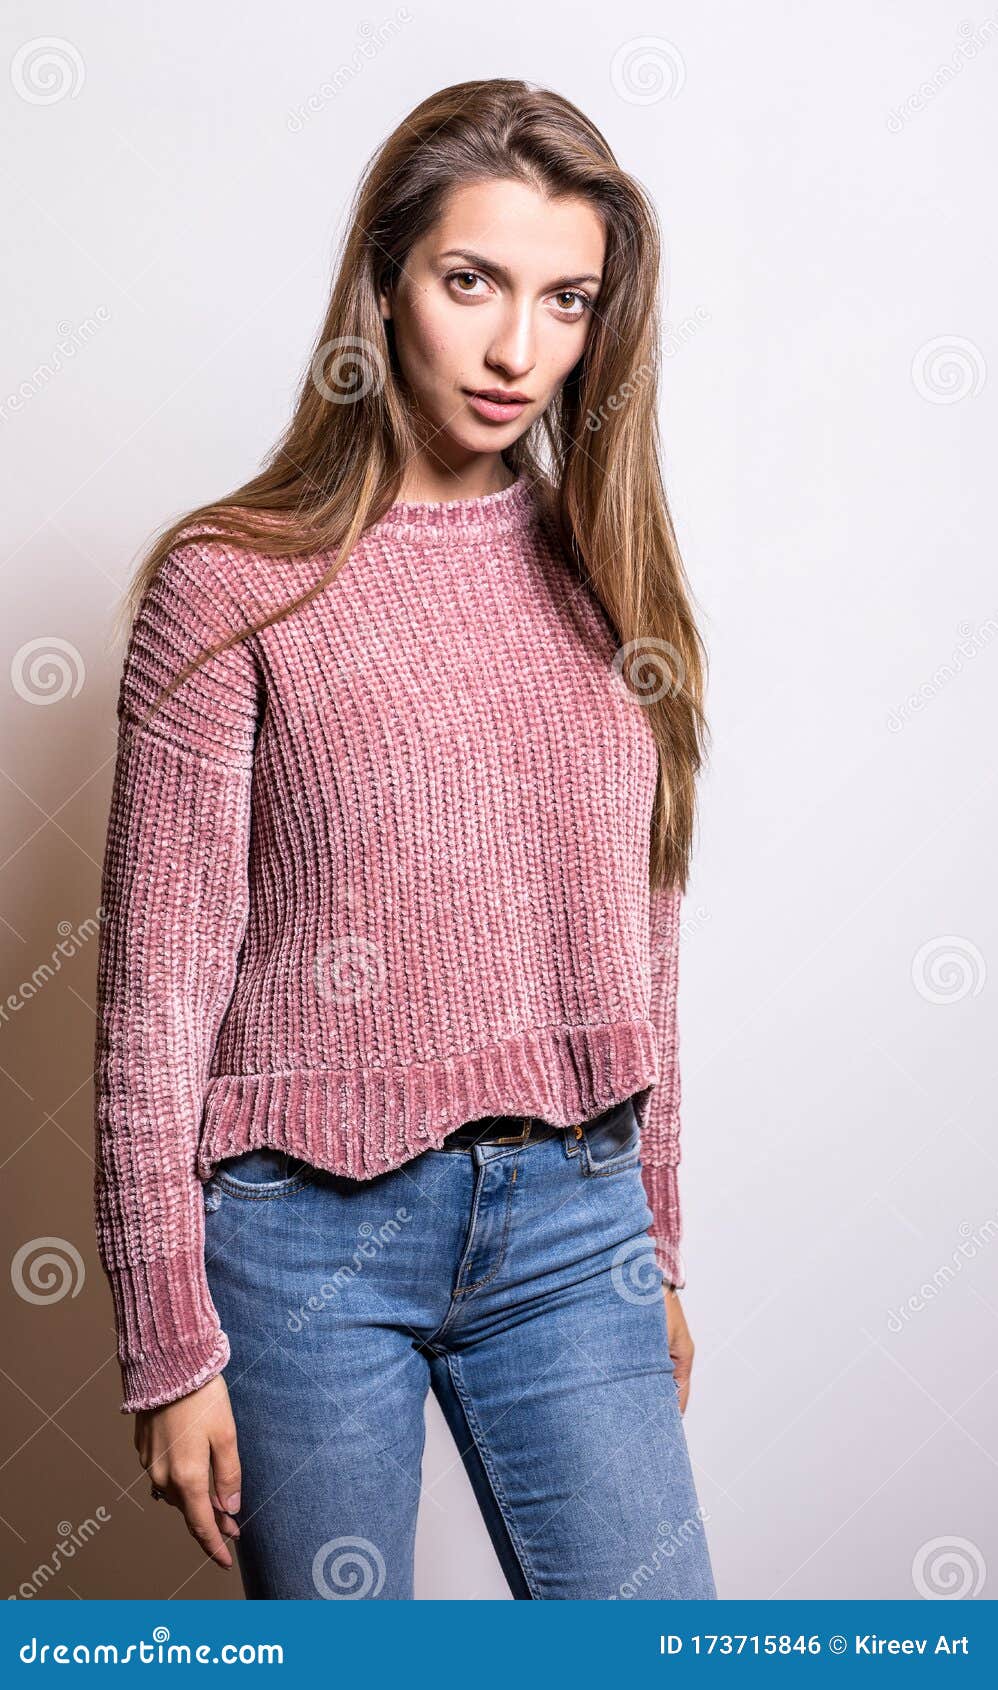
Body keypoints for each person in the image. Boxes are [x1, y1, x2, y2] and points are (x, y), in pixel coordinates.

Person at [93, 77, 714, 1600]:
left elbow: (638, 950)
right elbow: (153, 1008)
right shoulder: (231, 582)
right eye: (470, 282)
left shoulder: (602, 565)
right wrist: (167, 1340)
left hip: (575, 1226)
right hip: (302, 1246)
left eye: (566, 299)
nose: (519, 349)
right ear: (382, 285)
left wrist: (660, 1239)